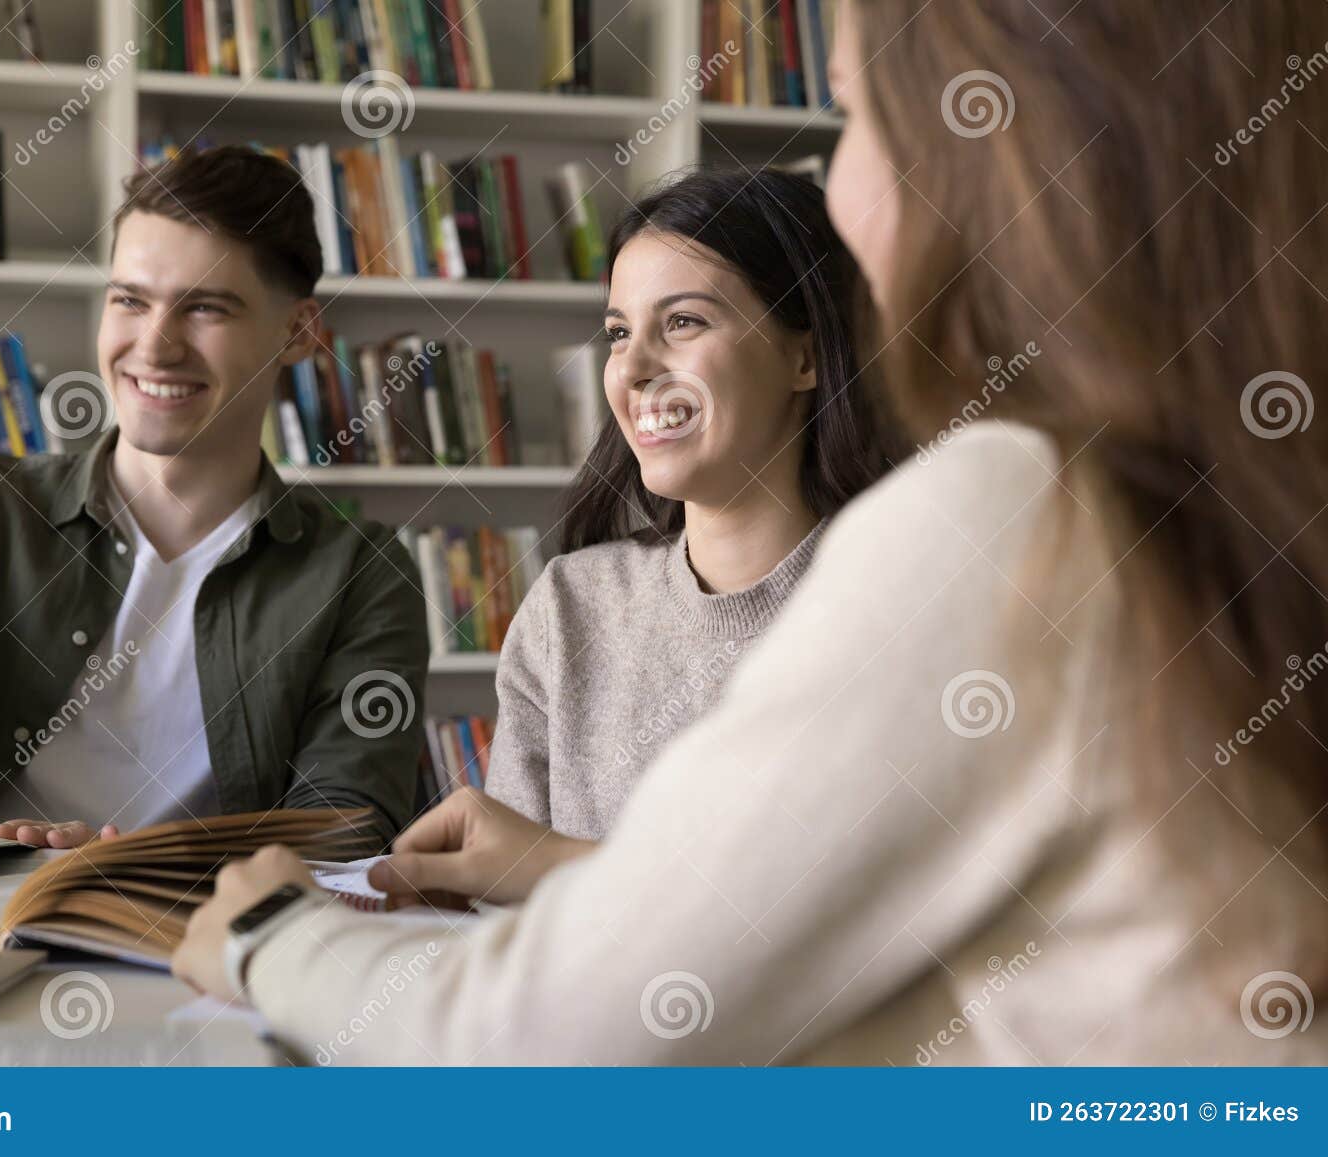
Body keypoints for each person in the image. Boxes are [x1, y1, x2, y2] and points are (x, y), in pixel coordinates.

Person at [173, 0, 1328, 1064]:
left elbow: (548, 1038)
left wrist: (277, 933)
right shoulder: (1220, 499)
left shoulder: (1014, 522)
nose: (835, 186)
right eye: (618, 330)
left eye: (849, 114)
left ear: (976, 148)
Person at [0, 146, 429, 850]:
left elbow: (346, 823)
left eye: (206, 309)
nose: (153, 348)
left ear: (299, 332)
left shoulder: (363, 577)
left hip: (186, 939)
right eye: (130, 300)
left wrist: (129, 866)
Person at [483, 168, 898, 843]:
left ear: (806, 356)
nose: (634, 366)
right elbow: (501, 910)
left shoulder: (902, 611)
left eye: (682, 321)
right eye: (619, 333)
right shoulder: (568, 610)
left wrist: (566, 871)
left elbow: (861, 924)